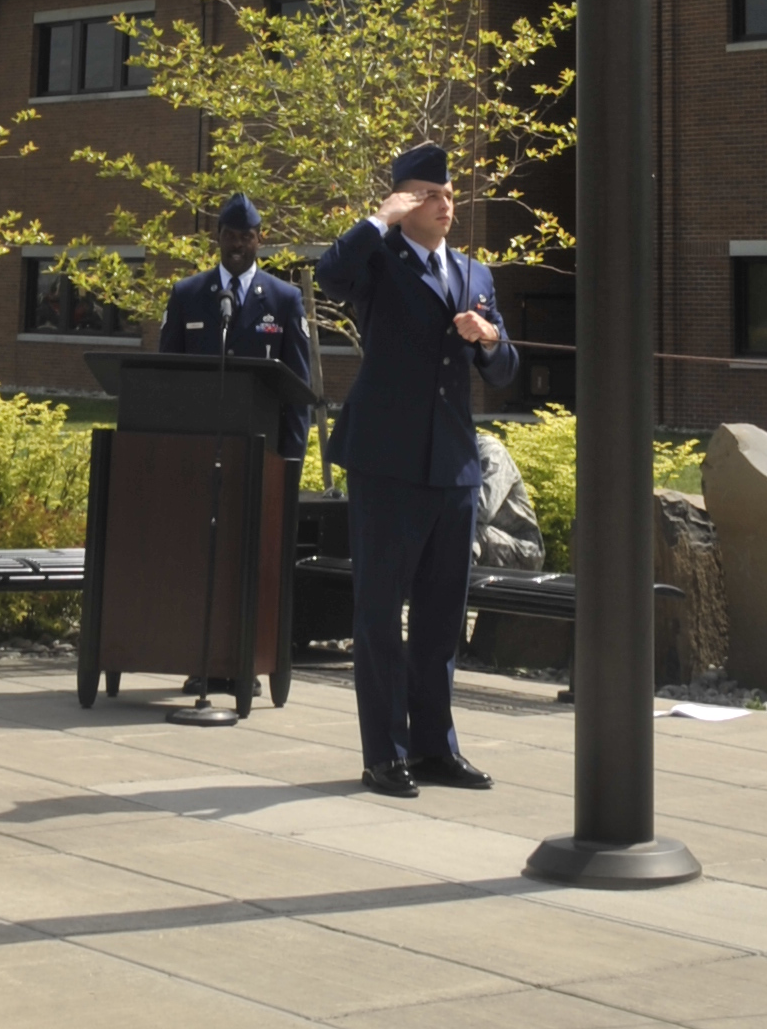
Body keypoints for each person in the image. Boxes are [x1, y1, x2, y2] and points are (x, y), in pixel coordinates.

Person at [313, 143, 516, 800]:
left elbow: (506, 367)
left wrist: (487, 340)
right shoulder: (378, 258)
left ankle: (435, 749)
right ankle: (385, 755)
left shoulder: (475, 273)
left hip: (454, 464)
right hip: (387, 460)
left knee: (439, 617)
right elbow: (330, 277)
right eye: (429, 194)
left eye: (449, 195)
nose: (445, 204)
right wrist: (378, 220)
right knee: (379, 613)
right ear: (404, 201)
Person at [158, 193, 314, 452]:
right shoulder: (187, 295)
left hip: (260, 444)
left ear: (259, 239)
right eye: (230, 236)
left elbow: (297, 390)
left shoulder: (285, 300)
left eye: (246, 237)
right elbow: (166, 377)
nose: (237, 245)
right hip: (196, 442)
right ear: (217, 237)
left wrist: (291, 464)